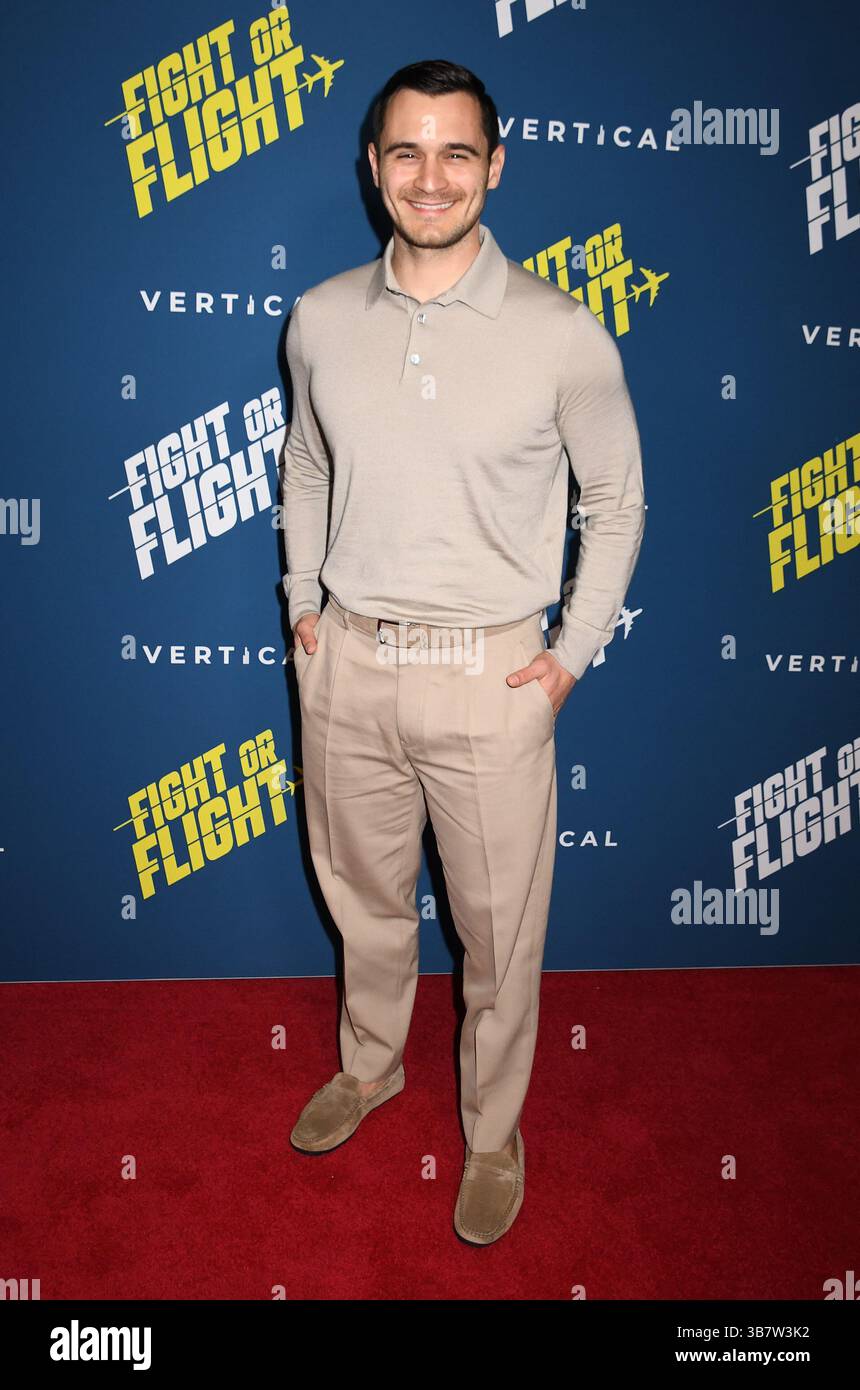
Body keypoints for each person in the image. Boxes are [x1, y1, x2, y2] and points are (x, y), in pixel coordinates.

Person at [281, 58, 645, 1245]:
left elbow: (618, 499)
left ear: (493, 166)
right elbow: (308, 466)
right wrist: (302, 602)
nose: (427, 178)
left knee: (498, 937)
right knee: (366, 905)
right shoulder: (322, 318)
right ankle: (370, 1065)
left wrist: (573, 648)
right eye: (404, 151)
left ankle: (492, 1131)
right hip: (349, 669)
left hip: (491, 679)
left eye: (453, 153)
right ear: (372, 167)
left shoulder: (559, 332)